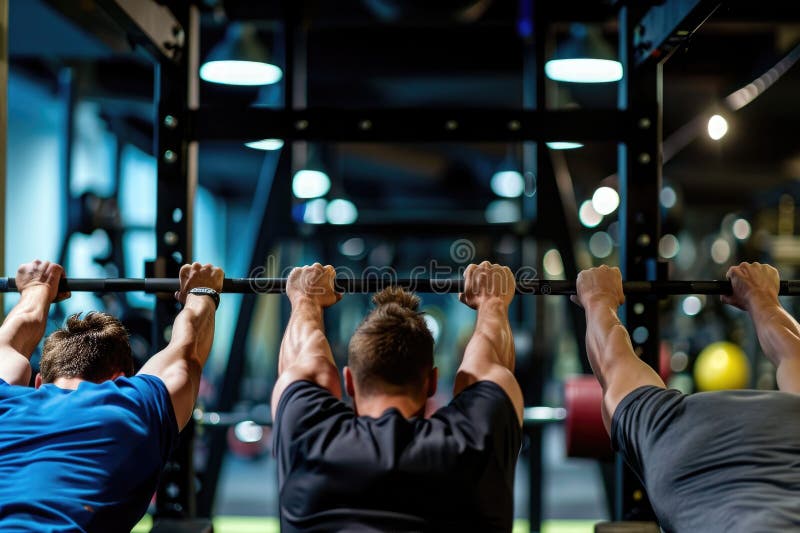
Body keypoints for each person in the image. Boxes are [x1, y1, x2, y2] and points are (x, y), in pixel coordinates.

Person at [272, 262, 524, 532]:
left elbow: (307, 364)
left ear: (349, 382)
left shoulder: (311, 437)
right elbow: (488, 366)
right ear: (432, 383)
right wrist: (492, 300)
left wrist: (305, 299)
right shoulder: (473, 442)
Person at [572, 262, 800, 532]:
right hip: (684, 444)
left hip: (687, 441)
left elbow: (614, 364)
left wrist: (762, 298)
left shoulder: (664, 431)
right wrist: (598, 299)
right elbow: (614, 365)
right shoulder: (662, 431)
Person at [0, 259, 224, 532]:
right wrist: (204, 292)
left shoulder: (6, 403)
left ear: (38, 383)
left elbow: (8, 344)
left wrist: (36, 289)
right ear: (119, 381)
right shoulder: (131, 406)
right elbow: (187, 349)